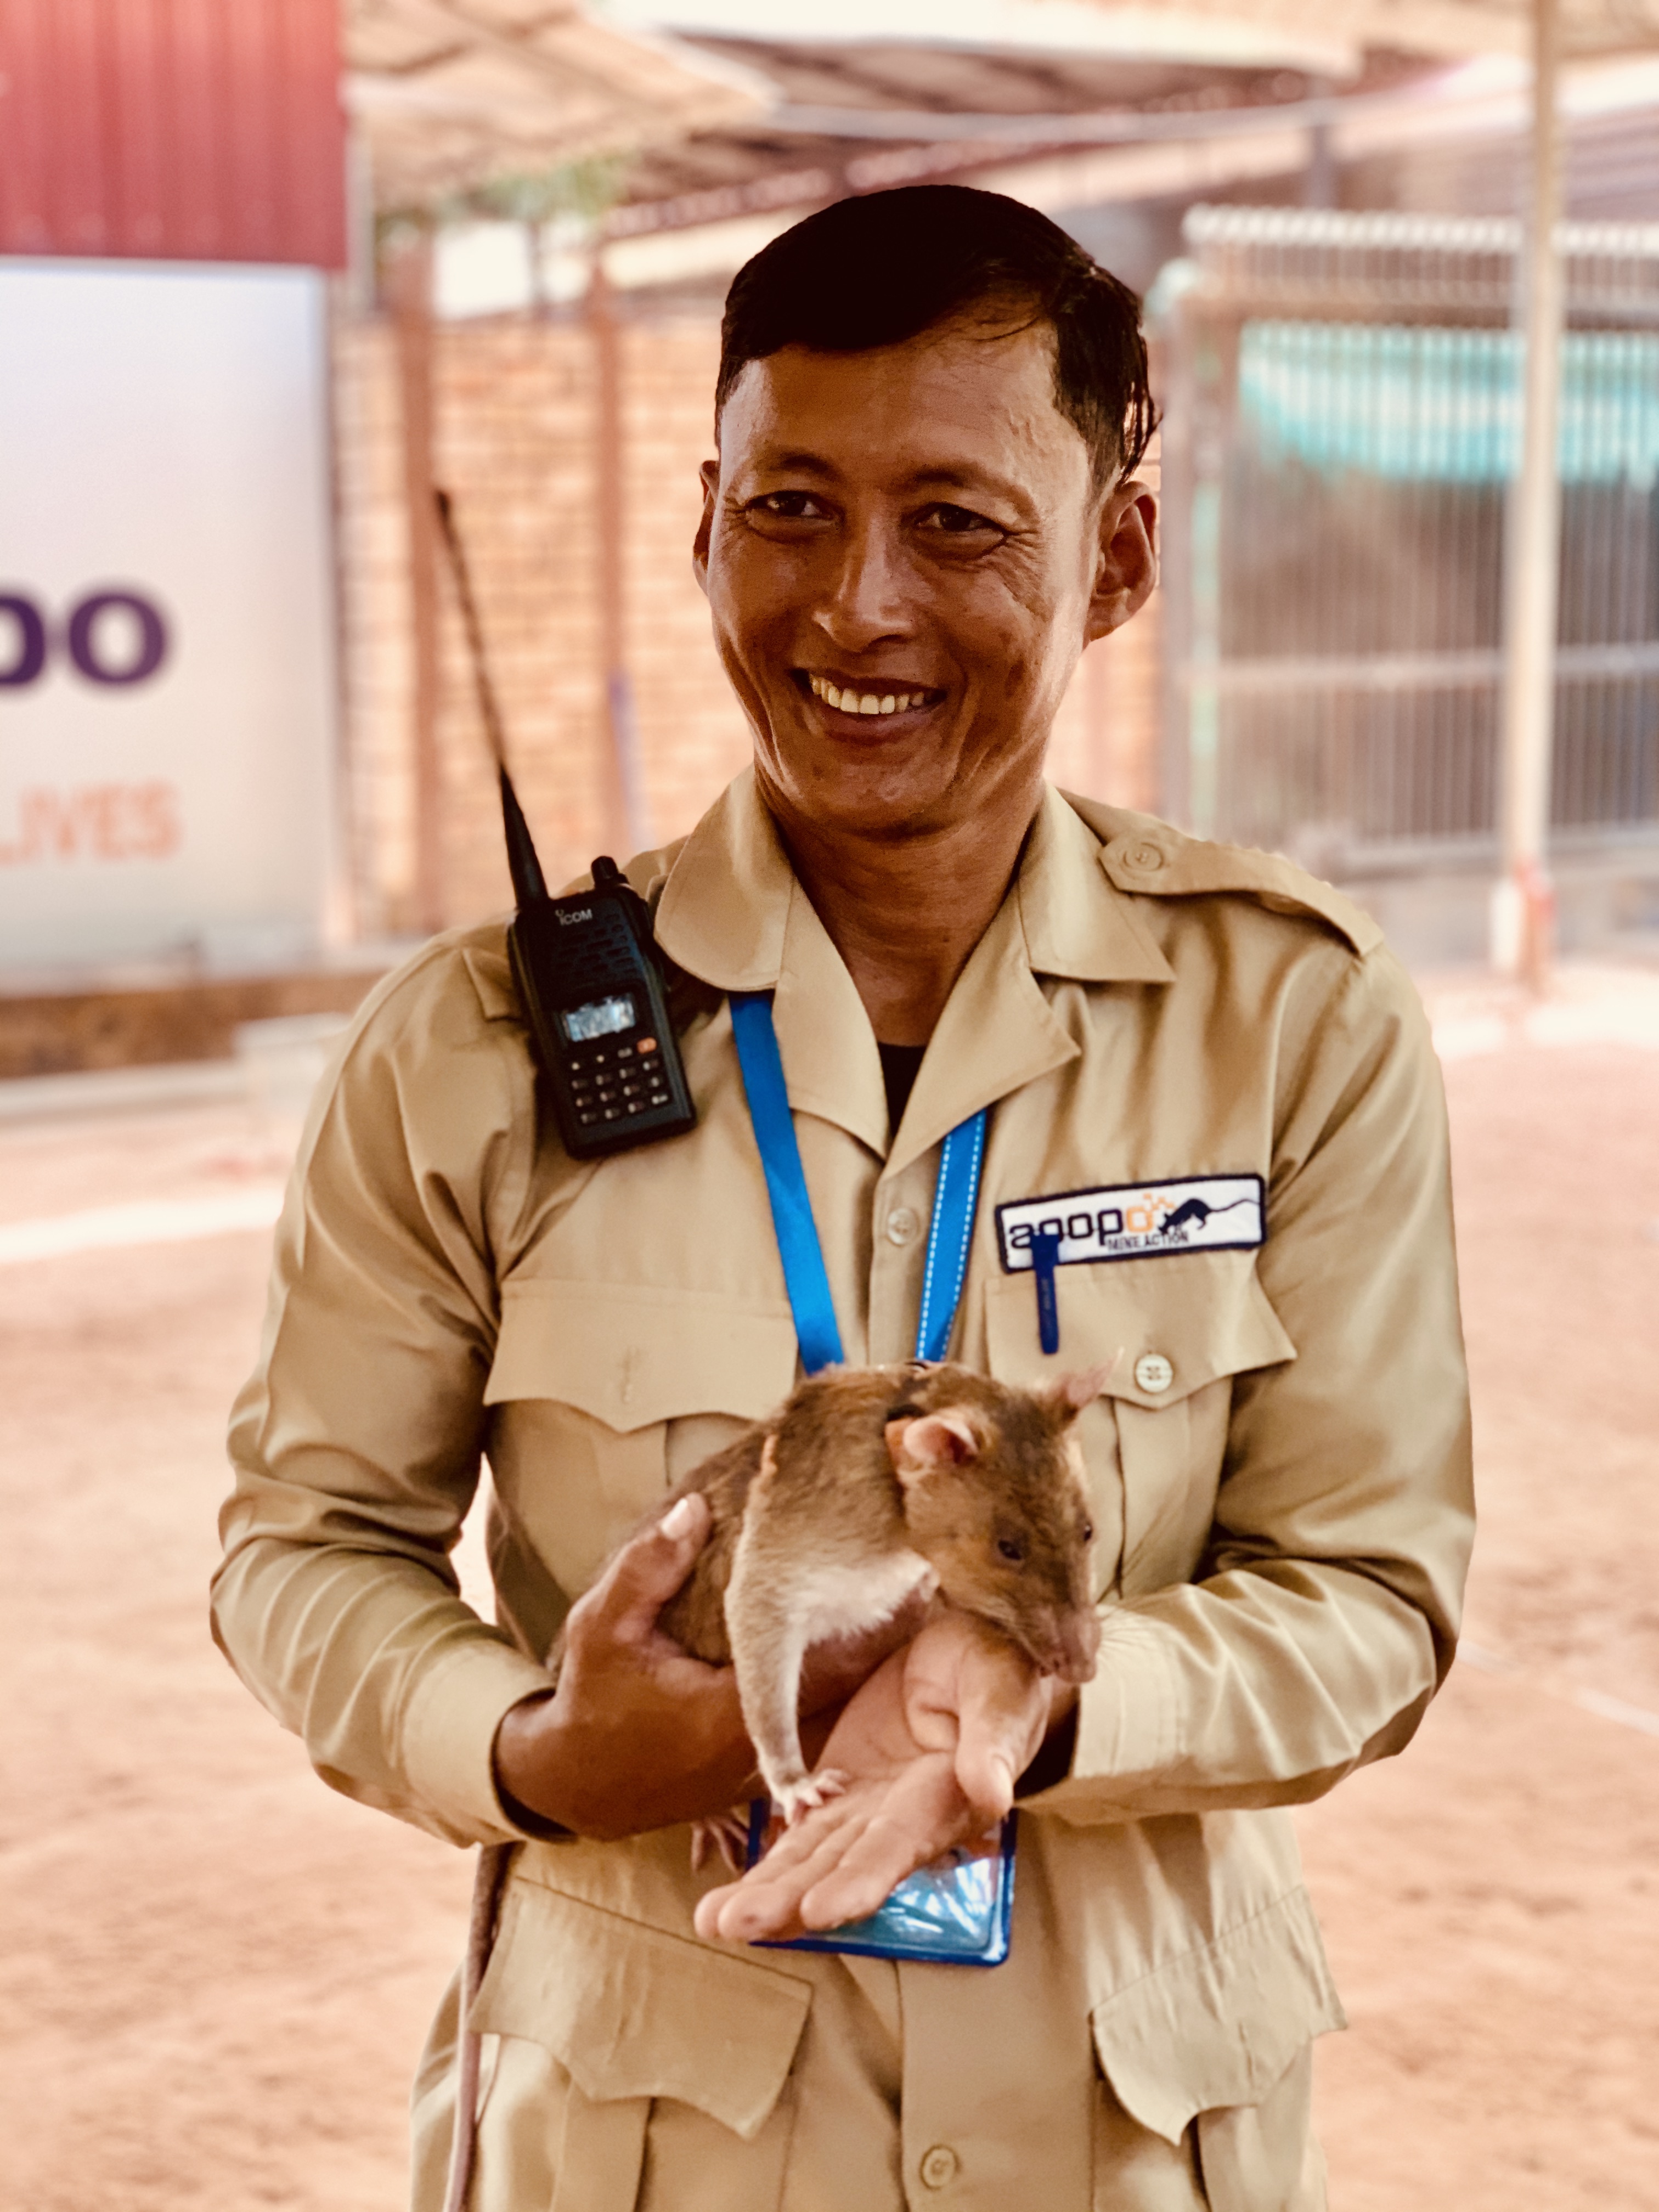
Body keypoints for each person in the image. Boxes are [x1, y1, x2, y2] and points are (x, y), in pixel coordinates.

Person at [212, 185, 1473, 2211]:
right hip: (646, 2139)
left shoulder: (1289, 1025)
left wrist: (1040, 1712)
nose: (858, 607)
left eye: (959, 524)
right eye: (790, 508)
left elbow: (1376, 1599)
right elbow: (302, 1547)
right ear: (701, 525)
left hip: (1129, 2139)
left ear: (1118, 557)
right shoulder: (466, 1052)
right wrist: (531, 1753)